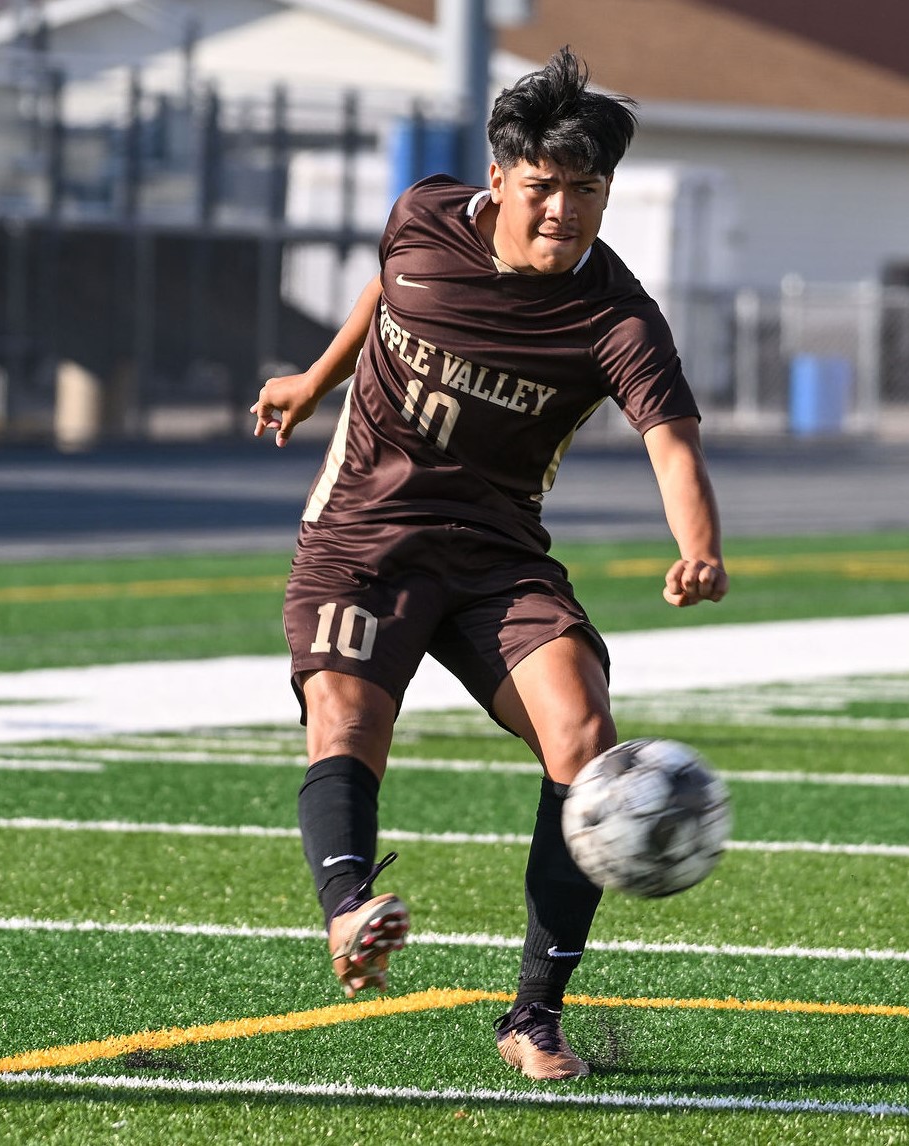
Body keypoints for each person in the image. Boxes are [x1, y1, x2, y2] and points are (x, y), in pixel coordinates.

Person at [251, 47, 726, 1081]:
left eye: (587, 190)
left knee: (585, 739)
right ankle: (349, 910)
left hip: (496, 554)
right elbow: (386, 292)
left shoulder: (617, 318)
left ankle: (534, 1016)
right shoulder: (423, 215)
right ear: (499, 178)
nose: (563, 210)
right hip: (363, 538)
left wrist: (698, 547)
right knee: (345, 715)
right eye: (544, 186)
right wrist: (316, 380)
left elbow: (672, 444)